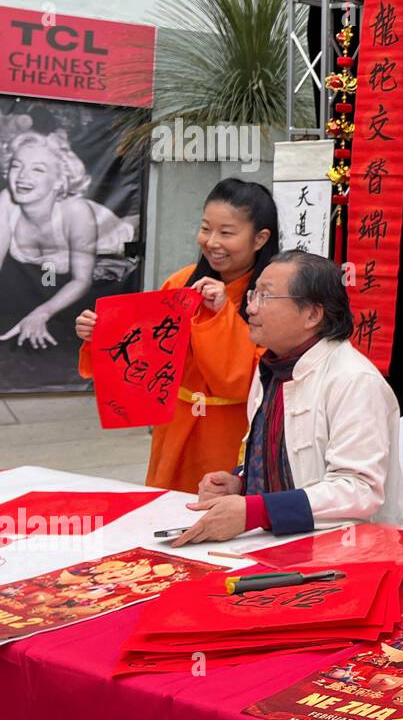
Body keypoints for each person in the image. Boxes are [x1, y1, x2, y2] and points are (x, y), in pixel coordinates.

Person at [175, 249, 403, 545]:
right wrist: (240, 483)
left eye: (266, 297)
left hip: (354, 550)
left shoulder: (354, 381)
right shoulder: (273, 368)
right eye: (252, 295)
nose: (251, 308)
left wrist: (255, 511)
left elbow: (358, 490)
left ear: (312, 314)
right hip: (280, 541)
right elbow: (288, 463)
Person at [75, 178, 279, 493]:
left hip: (230, 430)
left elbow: (244, 378)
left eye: (227, 233)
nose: (212, 242)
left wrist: (223, 313)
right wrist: (98, 334)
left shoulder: (273, 296)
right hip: (175, 427)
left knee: (221, 513)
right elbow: (144, 354)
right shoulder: (182, 282)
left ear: (260, 238)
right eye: (206, 228)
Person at [0, 131, 137, 380]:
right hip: (54, 267)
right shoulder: (7, 202)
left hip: (113, 248)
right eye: (16, 166)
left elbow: (81, 280)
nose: (22, 176)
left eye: (38, 169)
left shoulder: (76, 211)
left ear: (58, 181)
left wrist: (41, 312)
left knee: (134, 226)